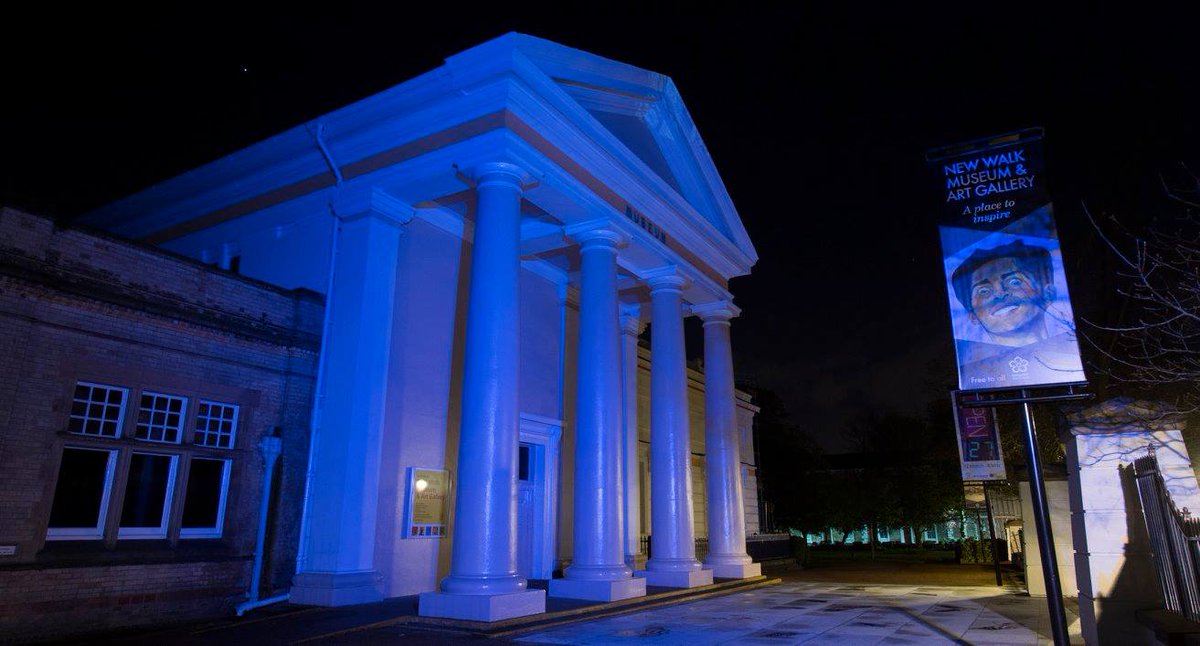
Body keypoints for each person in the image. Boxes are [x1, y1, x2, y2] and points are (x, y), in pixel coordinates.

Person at [950, 240, 1083, 388]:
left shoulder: (1071, 364)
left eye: (1014, 281)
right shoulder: (977, 375)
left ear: (1048, 294)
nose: (1000, 294)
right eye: (984, 291)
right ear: (973, 316)